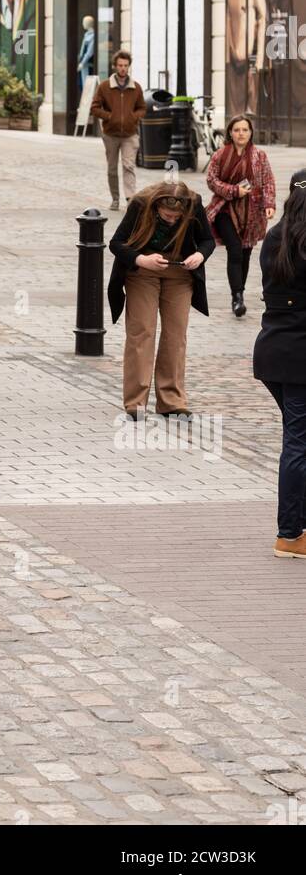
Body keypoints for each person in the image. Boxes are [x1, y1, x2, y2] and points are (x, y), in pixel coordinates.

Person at [108, 181, 214, 419]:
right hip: (143, 272)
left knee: (176, 335)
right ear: (156, 207)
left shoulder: (194, 203)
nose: (172, 220)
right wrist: (141, 260)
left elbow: (207, 240)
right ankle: (136, 402)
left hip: (180, 274)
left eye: (177, 217)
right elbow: (116, 243)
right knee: (141, 332)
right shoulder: (140, 203)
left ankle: (171, 401)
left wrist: (199, 255)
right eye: (167, 215)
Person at [253, 169, 306, 557]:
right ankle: (289, 535)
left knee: (298, 439)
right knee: (298, 443)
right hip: (299, 355)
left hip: (273, 349)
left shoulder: (275, 236)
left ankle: (294, 530)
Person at [206, 114, 276, 318]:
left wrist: (269, 204)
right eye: (237, 130)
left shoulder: (259, 156)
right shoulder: (220, 155)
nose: (241, 133)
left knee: (245, 253)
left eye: (245, 129)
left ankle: (240, 294)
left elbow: (268, 181)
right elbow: (211, 180)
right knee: (235, 250)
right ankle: (237, 296)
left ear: (251, 132)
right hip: (225, 208)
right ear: (230, 132)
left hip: (252, 211)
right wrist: (234, 191)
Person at [90, 49, 146, 211]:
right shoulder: (105, 87)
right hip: (110, 134)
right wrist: (109, 116)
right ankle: (115, 199)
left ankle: (130, 198)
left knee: (129, 165)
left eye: (126, 65)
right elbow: (94, 108)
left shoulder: (136, 88)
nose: (123, 68)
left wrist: (133, 117)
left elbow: (142, 108)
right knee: (112, 169)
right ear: (115, 66)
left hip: (130, 134)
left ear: (129, 67)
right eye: (120, 65)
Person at [77, 15, 95, 91]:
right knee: (82, 84)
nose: (83, 24)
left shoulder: (92, 36)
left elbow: (89, 52)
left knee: (87, 84)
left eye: (84, 22)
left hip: (87, 64)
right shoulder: (87, 35)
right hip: (83, 63)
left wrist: (83, 63)